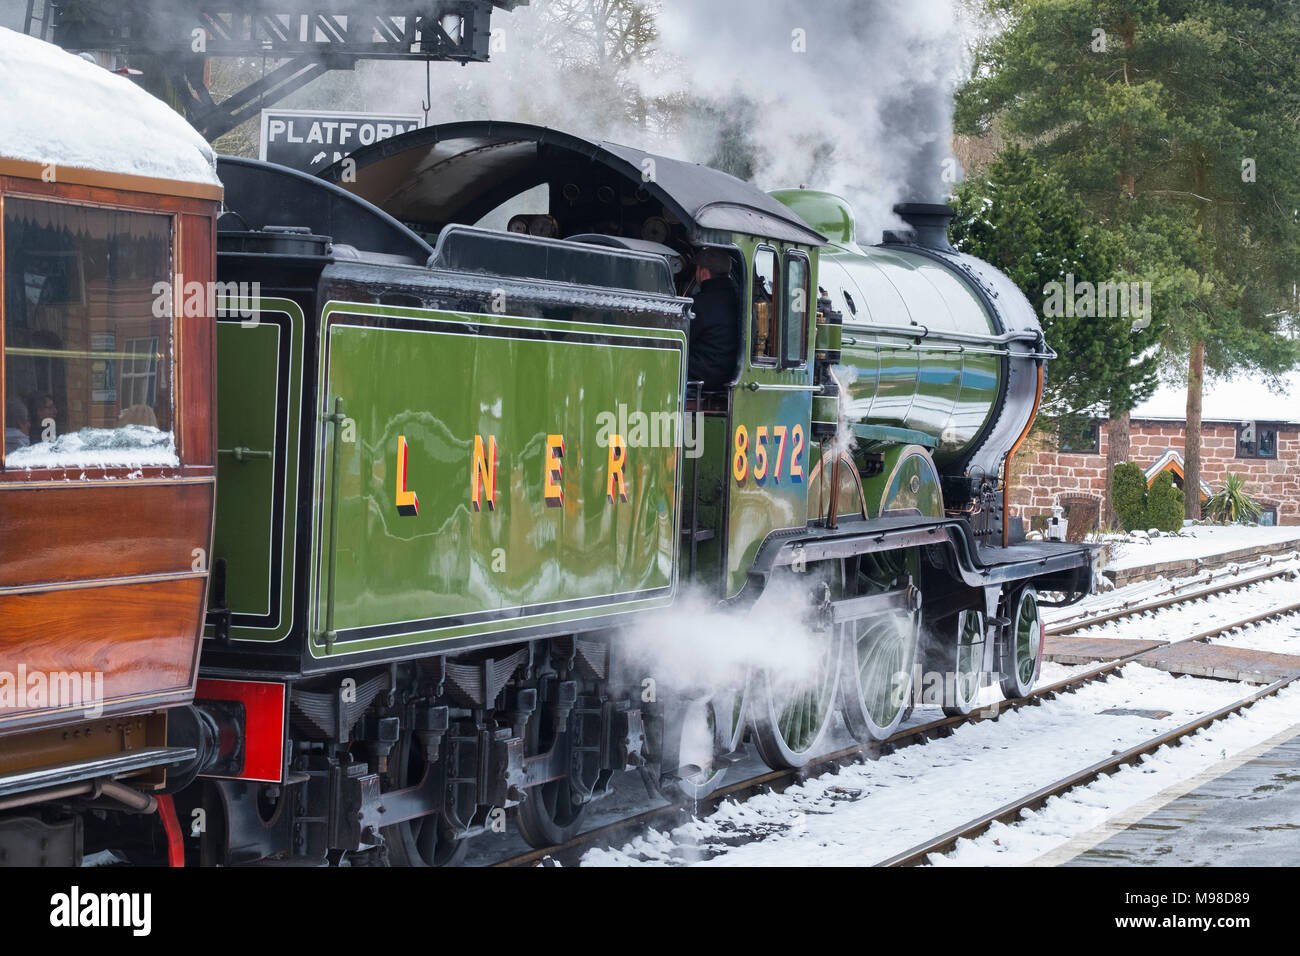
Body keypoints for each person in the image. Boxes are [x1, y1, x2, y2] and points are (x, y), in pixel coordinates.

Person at [686, 246, 740, 389]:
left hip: (700, 376)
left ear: (703, 273)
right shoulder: (742, 302)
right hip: (731, 375)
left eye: (696, 270)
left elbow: (684, 339)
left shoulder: (698, 304)